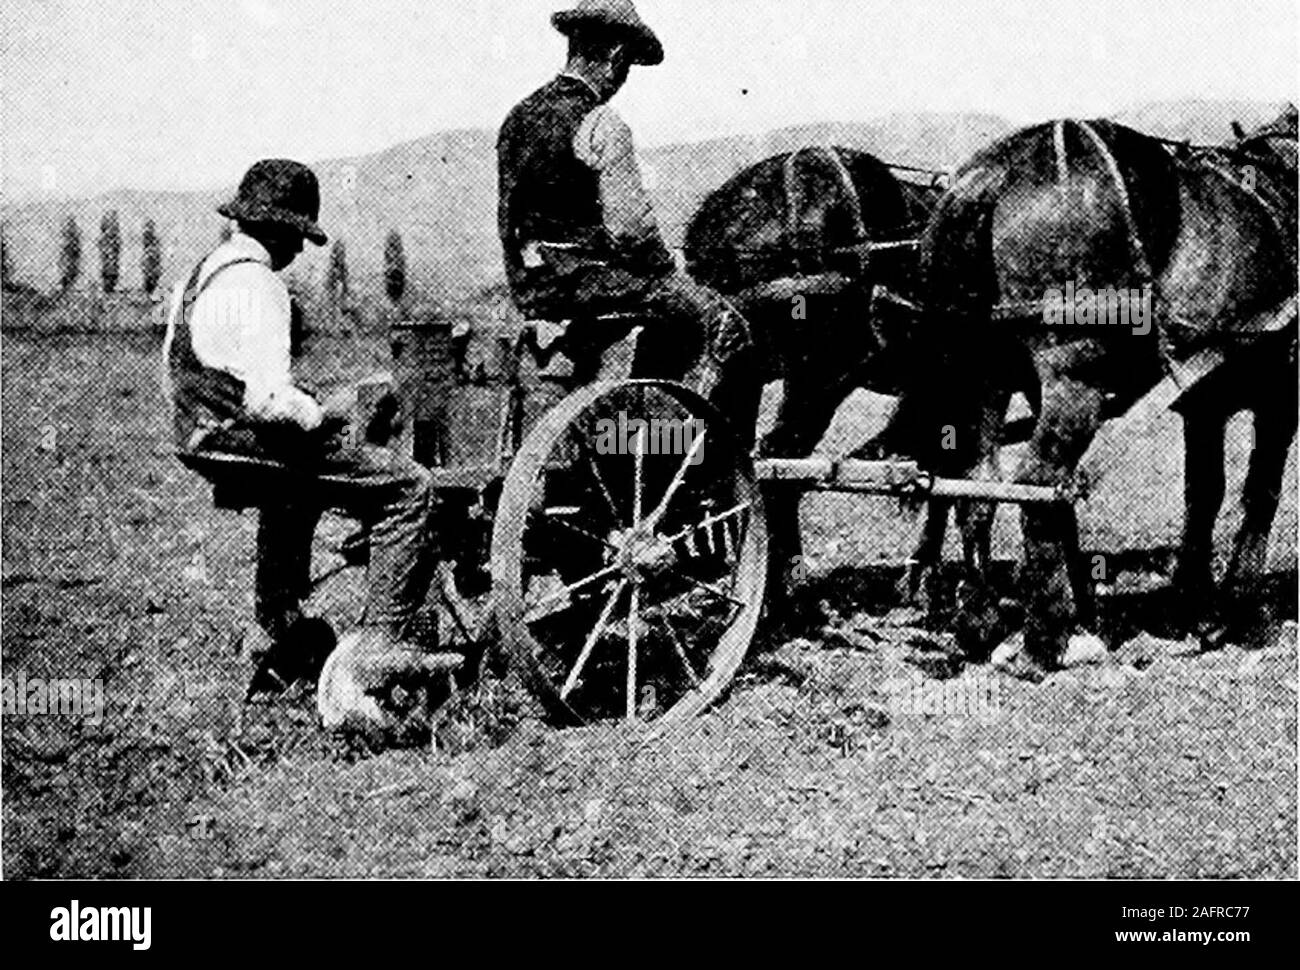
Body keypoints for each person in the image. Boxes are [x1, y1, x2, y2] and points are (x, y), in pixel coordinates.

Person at [162, 158, 456, 734]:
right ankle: (382, 642)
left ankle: (278, 627)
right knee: (407, 486)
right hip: (242, 434)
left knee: (293, 493)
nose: (299, 251)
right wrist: (320, 414)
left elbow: (197, 370)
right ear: (278, 230)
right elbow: (270, 400)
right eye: (298, 237)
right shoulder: (261, 284)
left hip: (198, 435)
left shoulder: (201, 276)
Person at [496, 0, 761, 440]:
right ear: (617, 56)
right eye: (628, 65)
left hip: (532, 288)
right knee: (706, 318)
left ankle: (622, 423)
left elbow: (513, 217)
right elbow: (632, 231)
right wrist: (666, 271)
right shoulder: (602, 123)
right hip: (587, 286)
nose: (623, 79)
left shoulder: (516, 119)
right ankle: (640, 434)